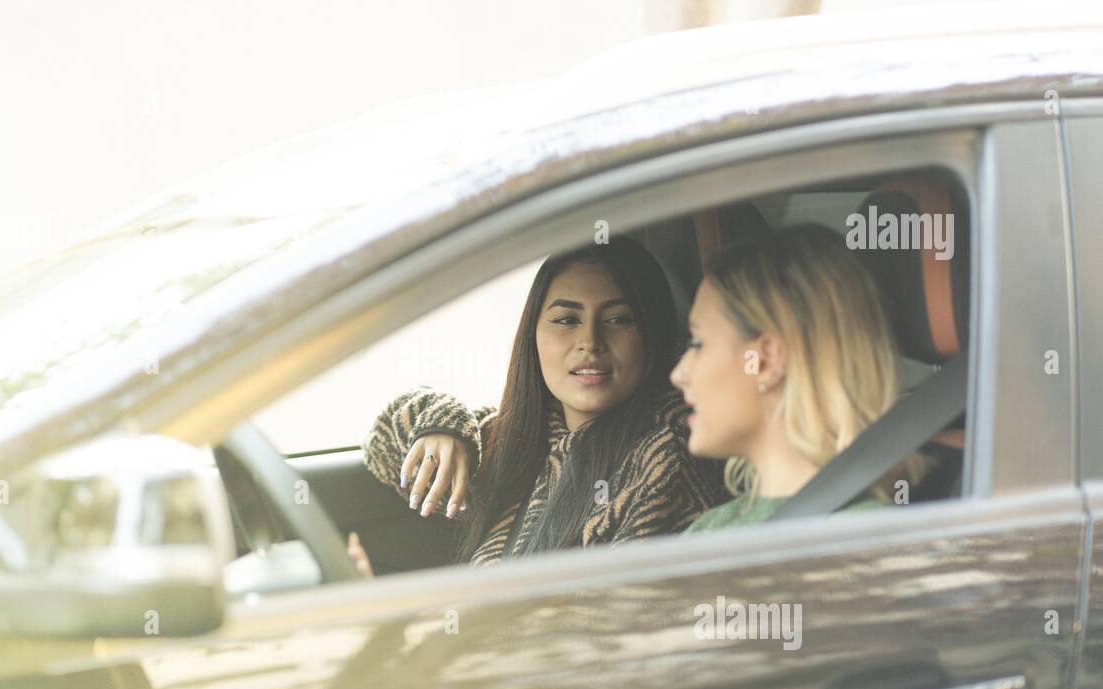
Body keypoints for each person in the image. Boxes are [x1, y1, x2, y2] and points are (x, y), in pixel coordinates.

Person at [353, 234, 729, 573]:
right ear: (533, 336)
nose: (590, 342)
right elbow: (381, 445)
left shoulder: (666, 452)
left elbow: (619, 626)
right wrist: (443, 427)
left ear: (652, 334)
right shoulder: (525, 437)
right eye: (567, 320)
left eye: (618, 320)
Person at [670, 223, 928, 534]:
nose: (678, 374)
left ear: (765, 360)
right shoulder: (708, 528)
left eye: (698, 344)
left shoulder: (866, 541)